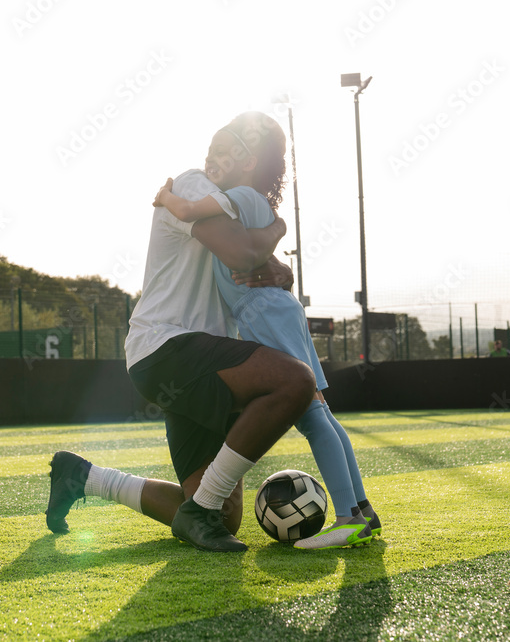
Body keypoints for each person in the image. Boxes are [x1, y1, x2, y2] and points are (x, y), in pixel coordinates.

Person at [46, 112, 316, 552]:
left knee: (224, 518)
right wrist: (279, 230)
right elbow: (242, 253)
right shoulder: (192, 185)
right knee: (295, 381)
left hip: (199, 364)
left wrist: (278, 268)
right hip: (168, 344)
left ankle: (85, 477)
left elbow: (252, 268)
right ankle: (199, 508)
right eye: (219, 145)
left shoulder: (237, 210)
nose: (217, 153)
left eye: (239, 147)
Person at [153, 111, 379, 549]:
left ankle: (350, 516)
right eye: (210, 151)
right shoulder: (251, 198)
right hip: (275, 308)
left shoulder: (236, 195)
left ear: (248, 161)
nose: (211, 160)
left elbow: (194, 212)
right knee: (322, 411)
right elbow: (260, 243)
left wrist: (166, 197)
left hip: (262, 310)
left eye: (224, 152)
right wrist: (279, 227)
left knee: (312, 416)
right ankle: (362, 511)